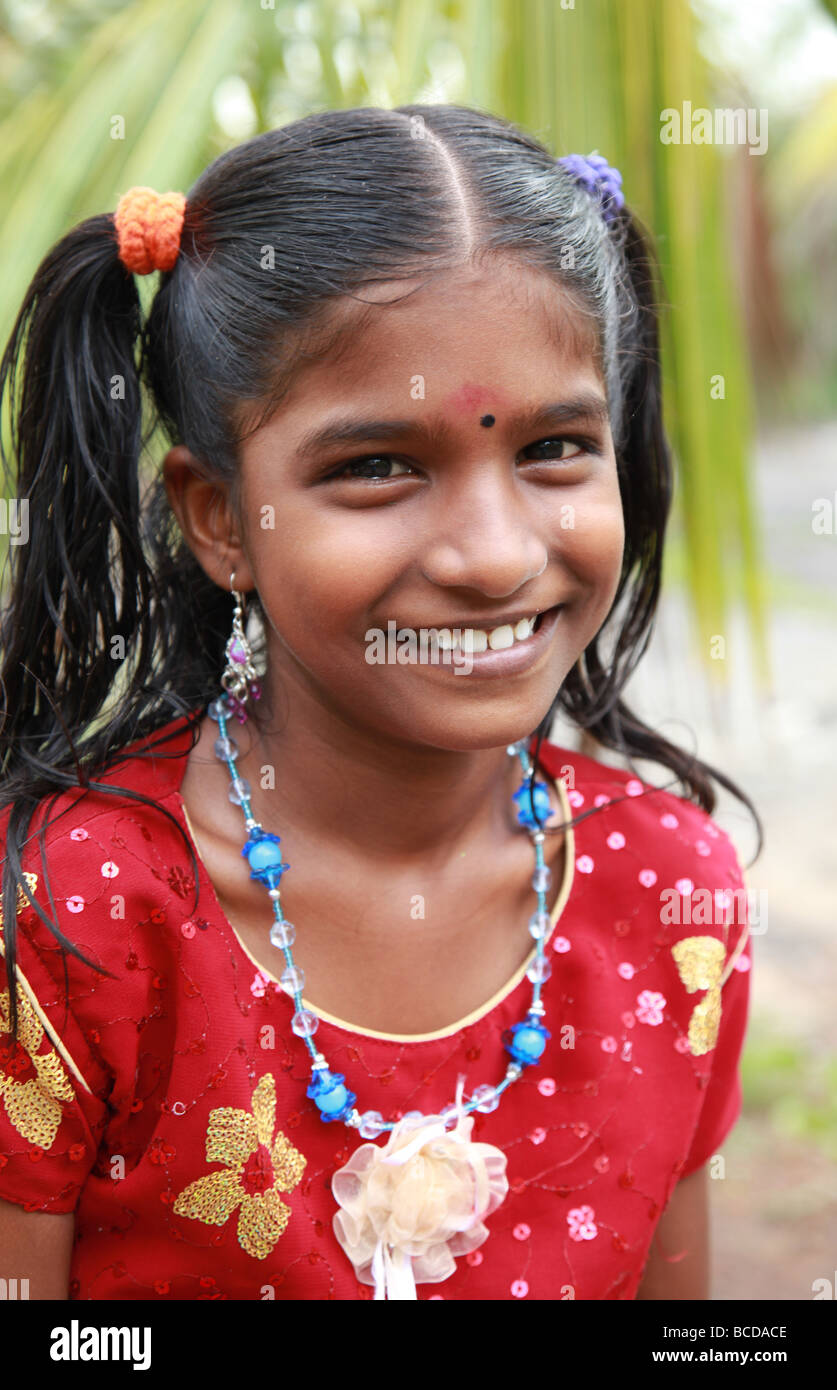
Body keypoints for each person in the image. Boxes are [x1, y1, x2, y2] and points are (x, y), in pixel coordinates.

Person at [0, 104, 759, 1301]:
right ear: (216, 518)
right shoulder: (81, 910)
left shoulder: (670, 902)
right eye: (378, 466)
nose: (494, 555)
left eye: (556, 447)